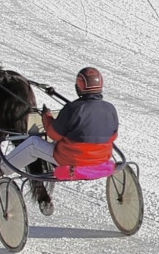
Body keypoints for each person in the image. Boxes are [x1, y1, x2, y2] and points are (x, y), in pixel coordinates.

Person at [10, 68, 120, 213]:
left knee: (33, 144)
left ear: (79, 87)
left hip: (70, 161)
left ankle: (2, 167)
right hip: (101, 159)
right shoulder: (110, 108)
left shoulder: (72, 109)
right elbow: (112, 137)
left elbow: (53, 134)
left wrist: (46, 117)